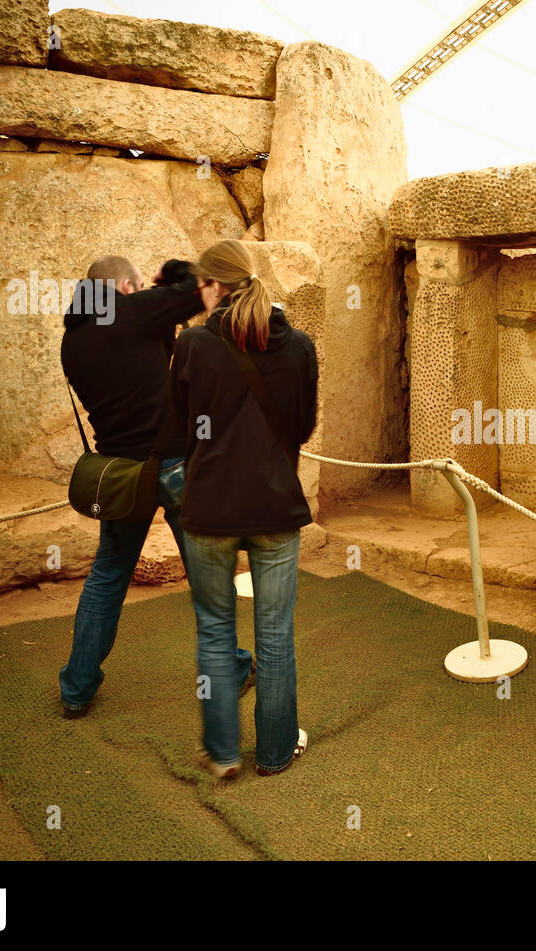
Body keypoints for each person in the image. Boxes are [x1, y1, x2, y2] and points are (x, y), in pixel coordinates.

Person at [170, 239, 318, 778]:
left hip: (209, 506)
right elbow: (302, 427)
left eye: (200, 285)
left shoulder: (192, 347)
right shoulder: (299, 346)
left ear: (213, 286)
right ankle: (276, 751)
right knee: (274, 634)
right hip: (275, 506)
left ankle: (224, 753)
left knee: (214, 628)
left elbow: (181, 427)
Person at [58, 254, 229, 717]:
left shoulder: (71, 341)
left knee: (108, 575)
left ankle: (76, 688)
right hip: (171, 464)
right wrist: (172, 272)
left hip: (120, 471)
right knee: (206, 575)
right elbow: (201, 286)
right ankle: (229, 666)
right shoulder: (131, 312)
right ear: (128, 288)